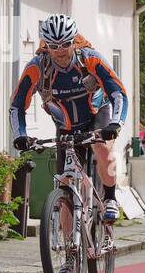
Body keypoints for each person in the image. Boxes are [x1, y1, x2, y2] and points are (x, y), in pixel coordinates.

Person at [10, 14, 127, 252]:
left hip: (98, 113)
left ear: (73, 41)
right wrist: (19, 134)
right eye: (54, 46)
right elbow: (16, 105)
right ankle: (69, 253)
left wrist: (115, 123)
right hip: (66, 125)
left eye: (65, 44)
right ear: (47, 46)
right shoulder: (37, 67)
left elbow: (118, 94)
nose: (60, 51)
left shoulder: (90, 59)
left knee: (103, 147)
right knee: (65, 183)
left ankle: (110, 197)